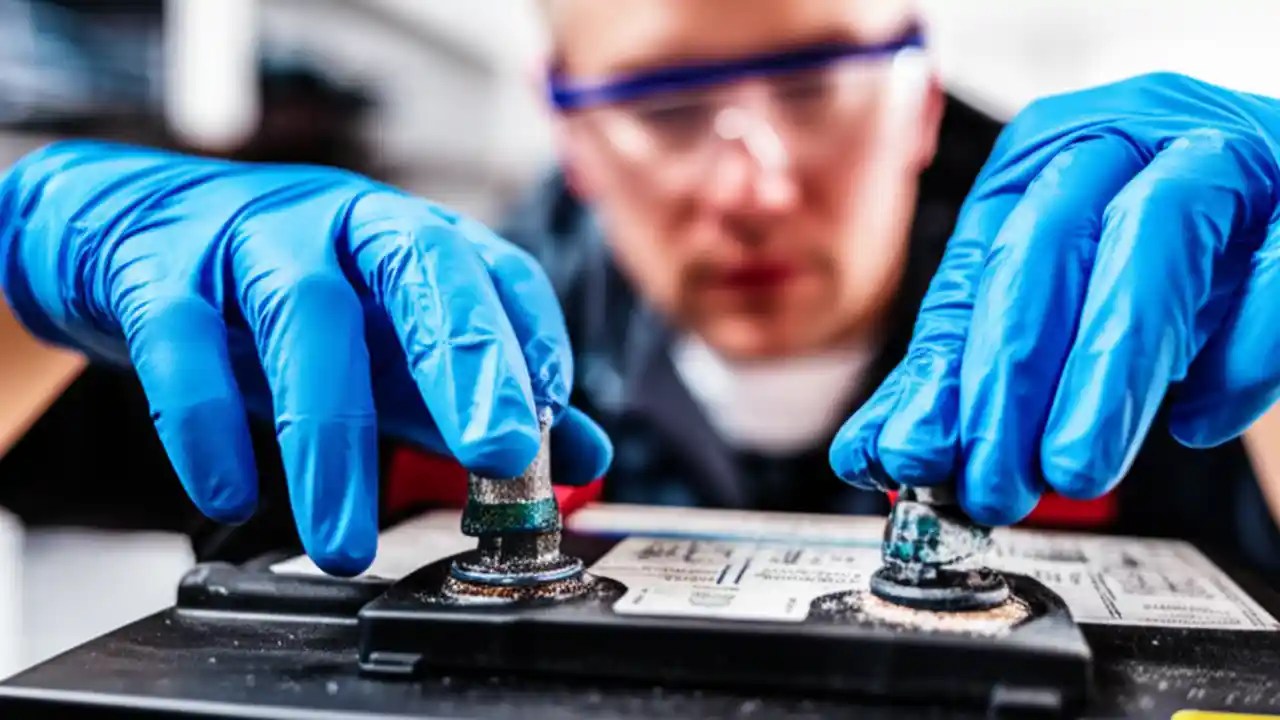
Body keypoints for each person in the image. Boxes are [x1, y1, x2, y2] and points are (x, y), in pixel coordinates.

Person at [2, 0, 1279, 579]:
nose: (753, 184)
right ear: (567, 129)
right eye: (662, 105)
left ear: (915, 91)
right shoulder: (377, 342)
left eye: (813, 80)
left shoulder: (1163, 296)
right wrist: (21, 271)